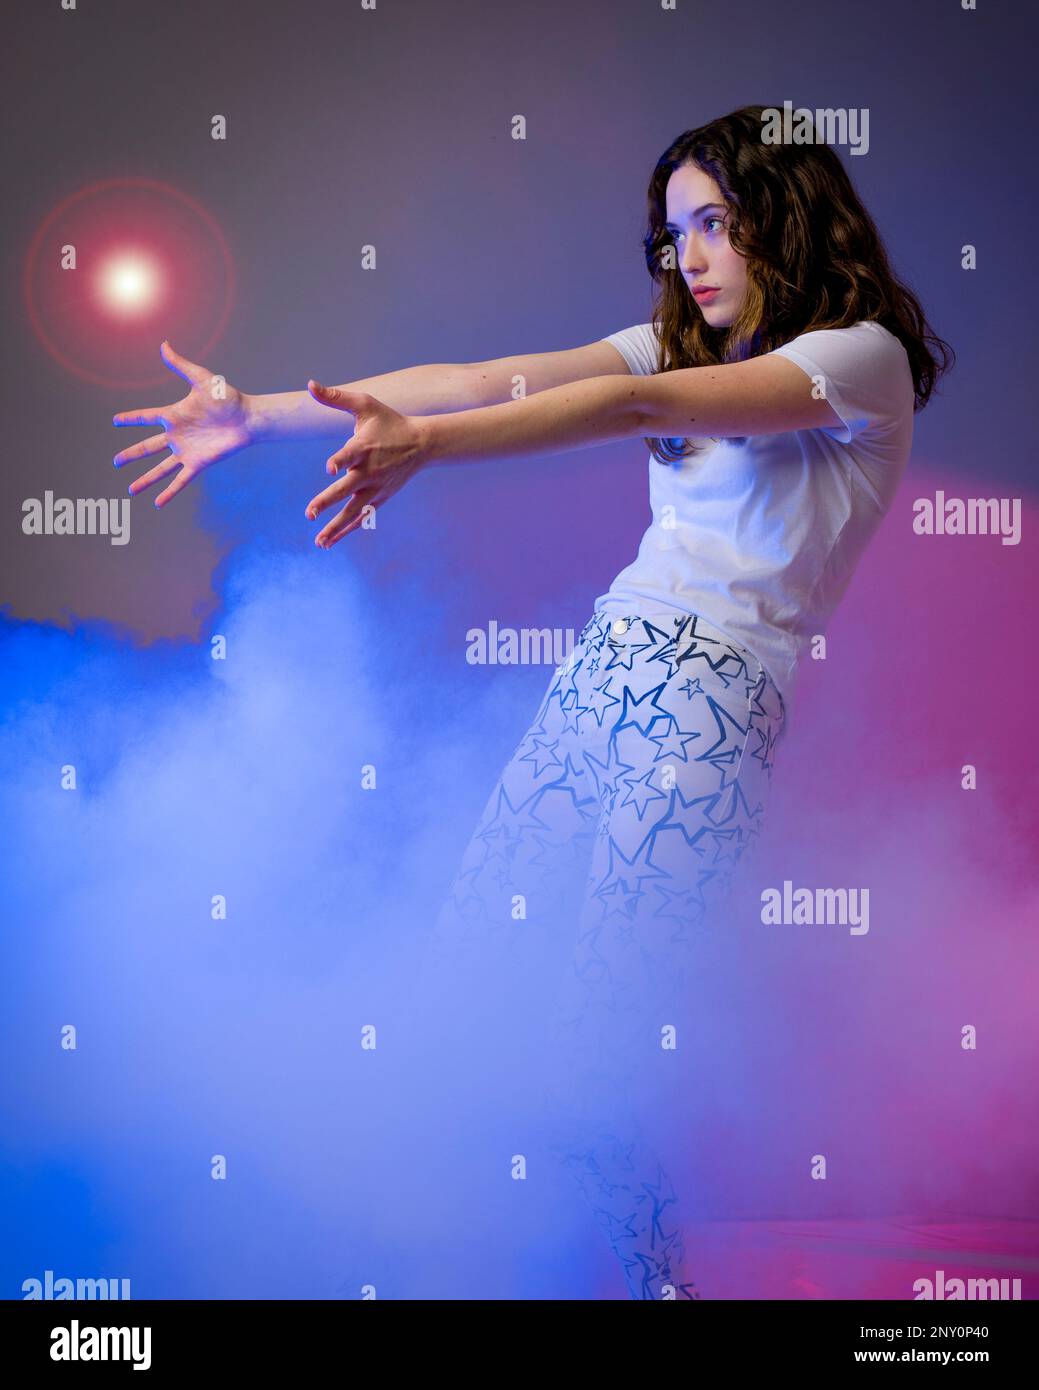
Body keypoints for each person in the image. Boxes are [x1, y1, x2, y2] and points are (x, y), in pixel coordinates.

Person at [114, 104, 953, 1300]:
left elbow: (639, 410)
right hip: (598, 674)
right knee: (476, 972)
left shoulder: (859, 358)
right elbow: (478, 379)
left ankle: (652, 1285)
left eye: (715, 222)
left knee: (604, 1032)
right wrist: (261, 414)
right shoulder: (674, 342)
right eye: (674, 233)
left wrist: (427, 448)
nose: (690, 256)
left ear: (789, 213)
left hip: (708, 709)